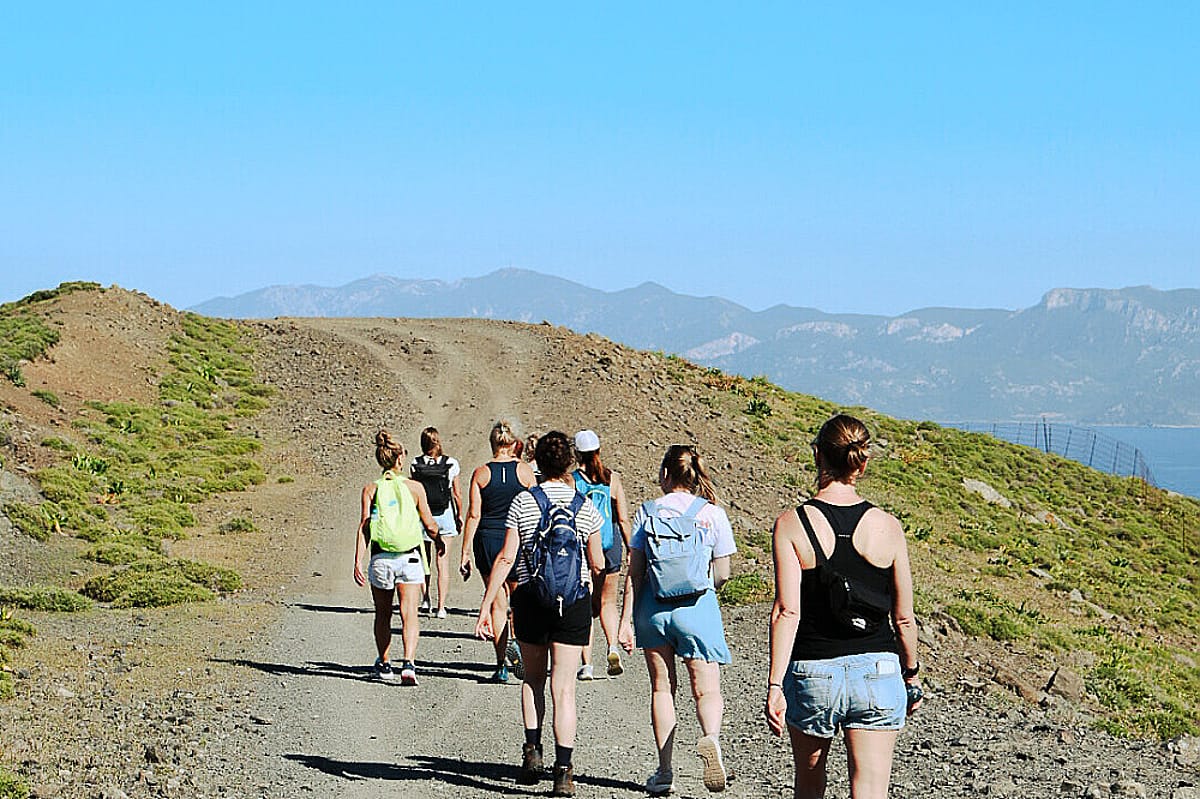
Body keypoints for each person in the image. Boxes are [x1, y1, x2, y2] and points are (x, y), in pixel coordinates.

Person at [764, 414, 922, 799]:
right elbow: (903, 618)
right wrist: (912, 676)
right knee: (870, 791)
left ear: (817, 455)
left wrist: (774, 684)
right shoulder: (889, 526)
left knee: (809, 786)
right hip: (879, 670)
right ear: (862, 463)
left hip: (813, 671)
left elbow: (787, 610)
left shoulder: (791, 524)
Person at [475, 430, 604, 797]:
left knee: (532, 679)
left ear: (538, 464)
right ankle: (563, 772)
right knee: (564, 689)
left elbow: (506, 558)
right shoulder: (585, 506)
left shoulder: (524, 503)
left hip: (531, 598)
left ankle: (532, 753)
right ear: (569, 464)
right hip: (573, 603)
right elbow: (597, 561)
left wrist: (486, 607)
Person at [618, 445, 736, 795]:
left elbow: (635, 573)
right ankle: (711, 738)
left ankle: (665, 770)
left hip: (654, 611)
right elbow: (723, 572)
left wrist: (626, 620)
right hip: (697, 608)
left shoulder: (647, 512)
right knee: (706, 689)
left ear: (665, 475)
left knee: (662, 688)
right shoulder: (712, 514)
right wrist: (701, 587)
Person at [353, 430, 443, 686]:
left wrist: (358, 560)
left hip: (381, 558)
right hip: (410, 558)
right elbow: (430, 524)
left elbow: (365, 527)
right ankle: (409, 664)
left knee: (383, 613)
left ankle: (384, 662)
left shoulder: (371, 489)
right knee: (409, 614)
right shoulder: (414, 488)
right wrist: (438, 540)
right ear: (400, 458)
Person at [460, 420, 537, 681]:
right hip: (515, 538)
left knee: (497, 600)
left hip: (487, 540)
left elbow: (473, 514)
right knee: (518, 600)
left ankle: (501, 663)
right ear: (515, 444)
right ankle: (520, 648)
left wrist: (465, 552)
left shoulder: (481, 473)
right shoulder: (525, 472)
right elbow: (535, 508)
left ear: (492, 443)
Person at [572, 429, 633, 680]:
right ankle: (612, 647)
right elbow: (623, 518)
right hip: (611, 545)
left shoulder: (573, 479)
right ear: (599, 451)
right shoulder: (612, 478)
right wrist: (631, 549)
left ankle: (587, 665)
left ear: (576, 453)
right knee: (608, 603)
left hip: (584, 547)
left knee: (585, 605)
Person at [410, 426, 464, 618]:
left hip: (423, 516)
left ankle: (426, 600)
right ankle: (441, 607)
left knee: (424, 561)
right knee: (443, 561)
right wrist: (459, 515)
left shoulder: (415, 464)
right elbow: (456, 494)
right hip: (445, 514)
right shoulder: (451, 464)